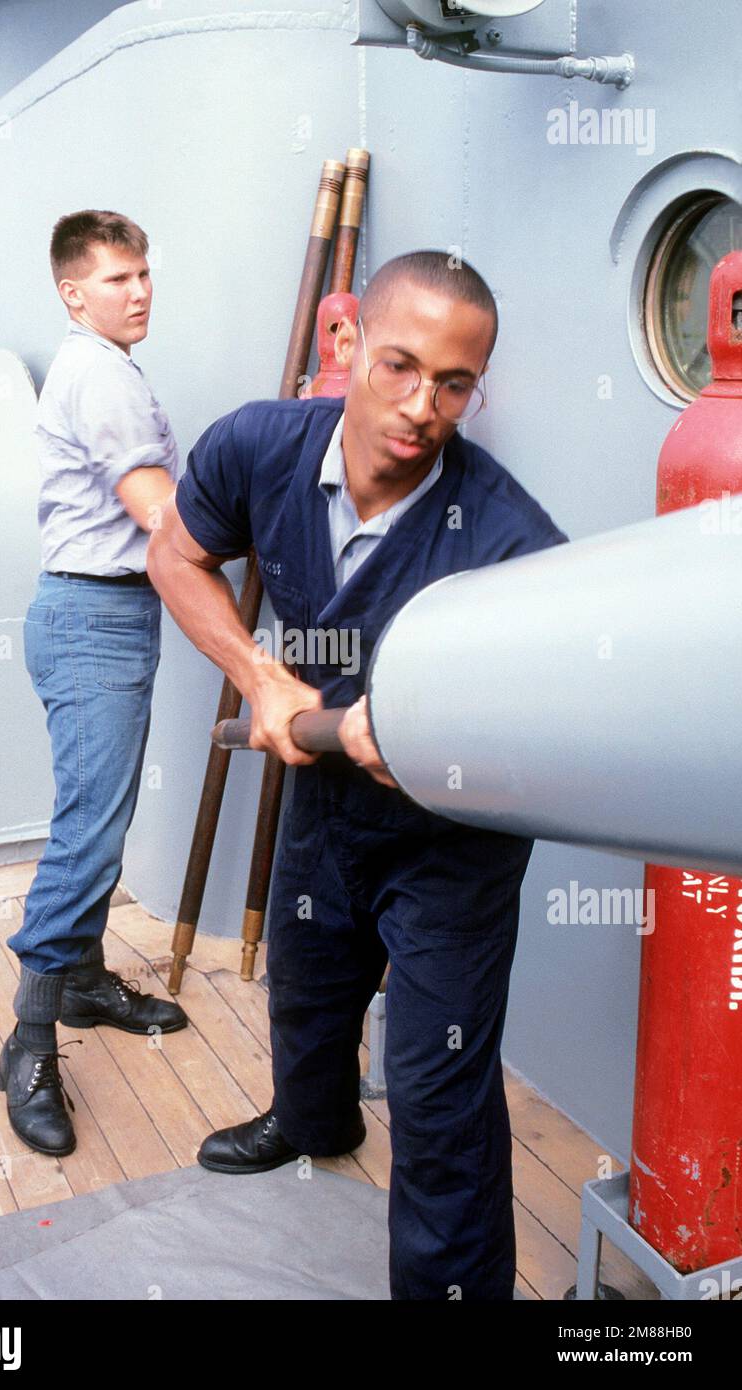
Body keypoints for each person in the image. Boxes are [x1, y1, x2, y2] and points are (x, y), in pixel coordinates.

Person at [148, 250, 569, 1300]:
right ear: (346, 349)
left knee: (436, 1093)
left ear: (476, 387)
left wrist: (437, 738)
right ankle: (311, 1122)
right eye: (398, 366)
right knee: (306, 993)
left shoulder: (511, 541)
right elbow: (173, 553)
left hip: (451, 843)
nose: (422, 406)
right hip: (323, 803)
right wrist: (262, 676)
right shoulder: (256, 446)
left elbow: (555, 717)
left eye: (453, 383)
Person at [0, 210, 188, 1159]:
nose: (140, 290)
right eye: (117, 279)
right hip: (93, 619)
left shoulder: (101, 365)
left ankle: (82, 980)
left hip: (101, 614)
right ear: (74, 293)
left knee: (95, 812)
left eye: (145, 272)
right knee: (89, 830)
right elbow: (157, 511)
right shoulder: (100, 373)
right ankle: (29, 1040)